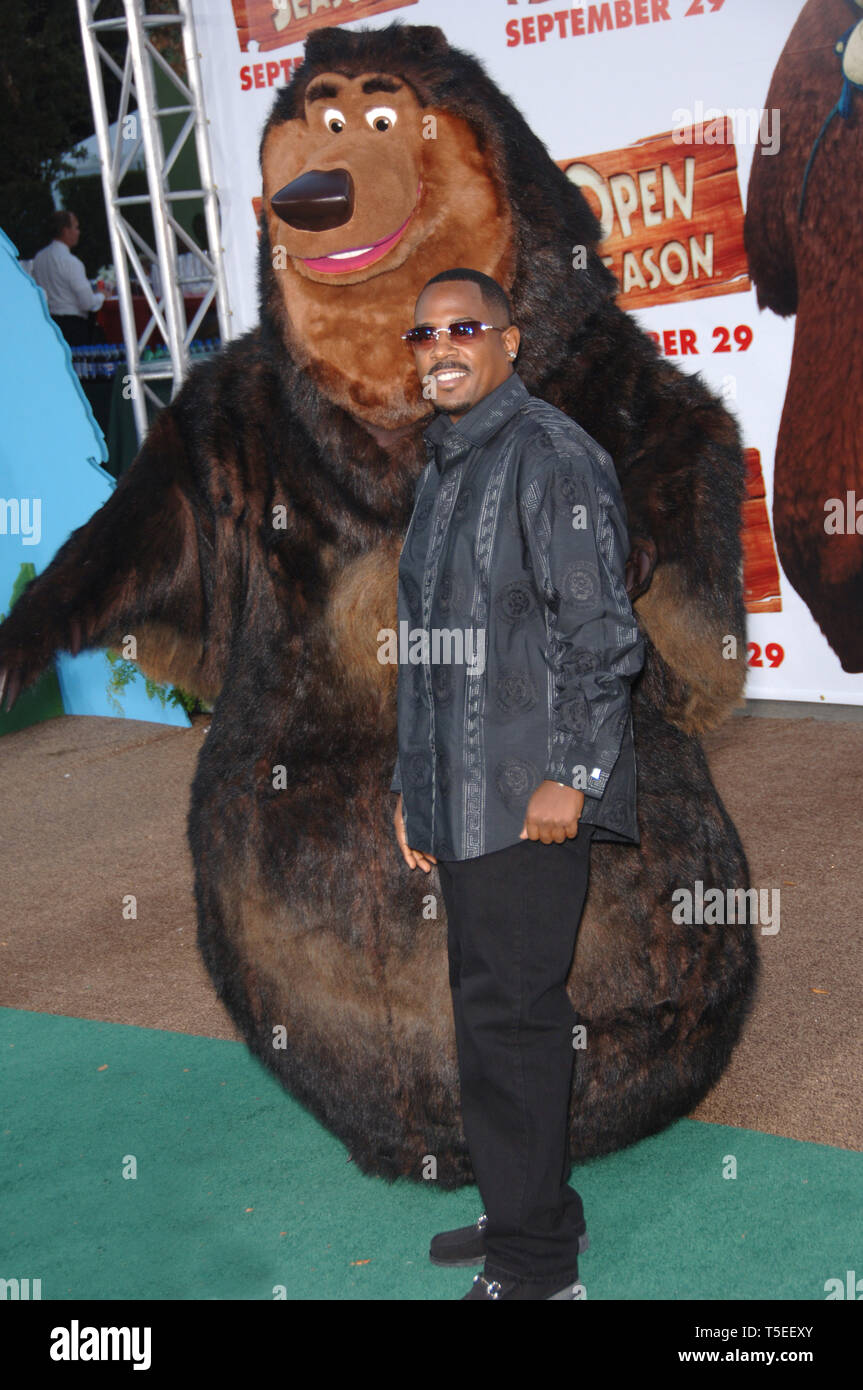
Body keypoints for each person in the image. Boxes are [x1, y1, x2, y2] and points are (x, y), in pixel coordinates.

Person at [391, 268, 645, 1301]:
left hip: (529, 801)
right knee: (488, 1012)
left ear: (507, 338)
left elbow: (602, 637)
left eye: (463, 326)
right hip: (457, 795)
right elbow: (424, 650)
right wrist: (409, 786)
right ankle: (529, 1209)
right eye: (423, 333)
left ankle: (536, 1270)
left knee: (514, 1021)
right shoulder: (446, 462)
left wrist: (569, 778)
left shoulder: (550, 457)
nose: (440, 345)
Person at [31, 210, 105, 347]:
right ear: (66, 231)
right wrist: (102, 296)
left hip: (51, 323)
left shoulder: (39, 259)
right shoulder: (70, 262)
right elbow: (87, 303)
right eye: (76, 227)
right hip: (73, 326)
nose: (78, 232)